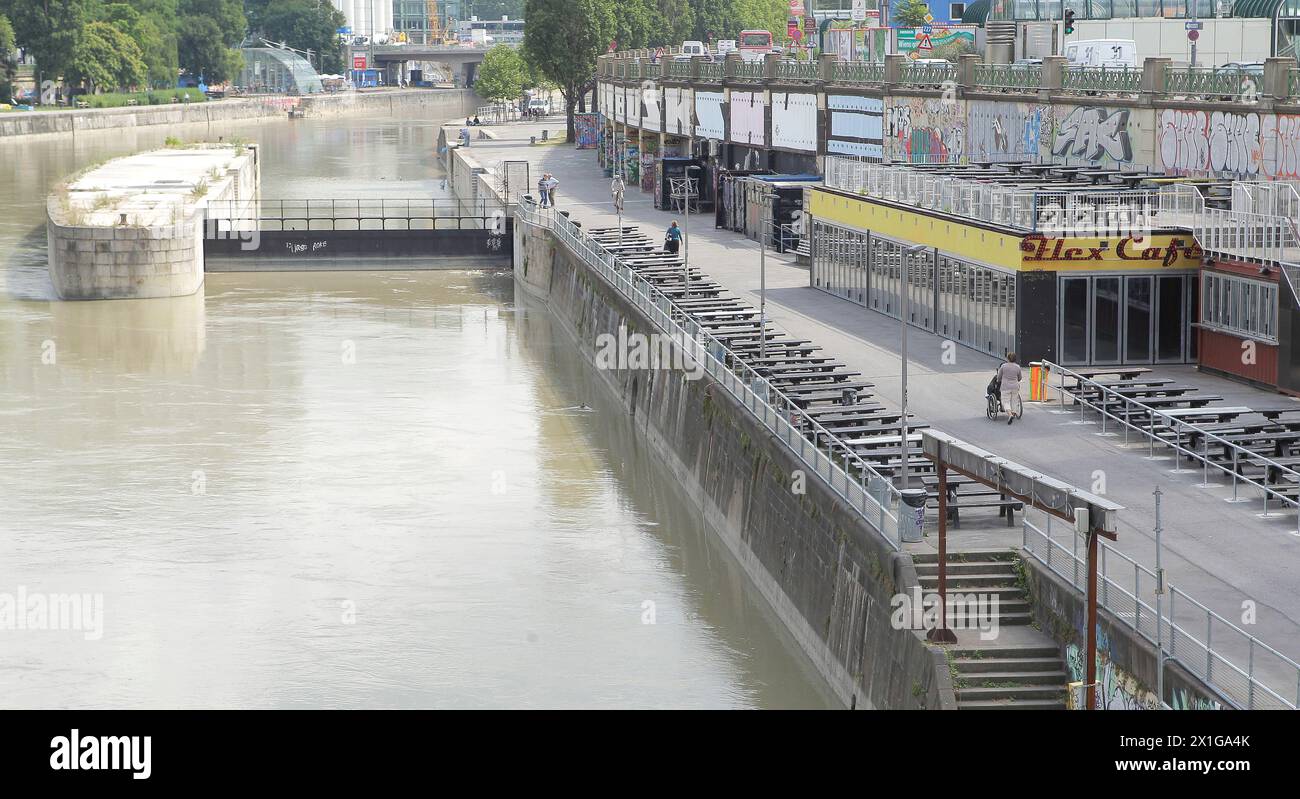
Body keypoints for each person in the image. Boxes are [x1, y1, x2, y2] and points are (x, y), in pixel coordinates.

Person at [997, 352, 1023, 425]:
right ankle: (1014, 413)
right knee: (1014, 401)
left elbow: (999, 376)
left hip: (1005, 386)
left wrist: (998, 380)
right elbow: (1020, 378)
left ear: (1008, 358)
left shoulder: (1003, 366)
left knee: (1005, 401)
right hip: (1015, 386)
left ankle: (1010, 414)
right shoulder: (1018, 367)